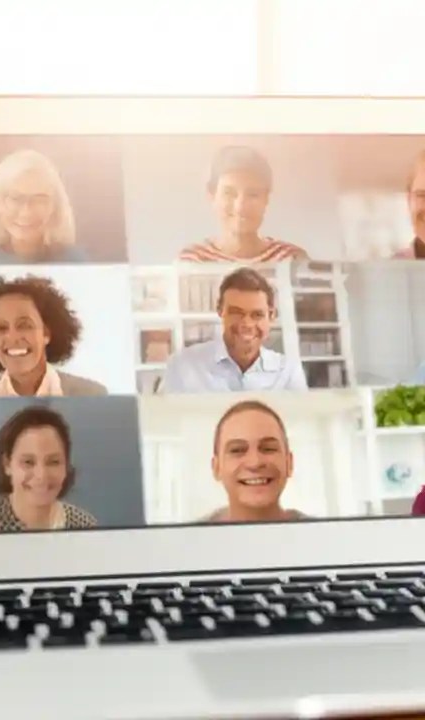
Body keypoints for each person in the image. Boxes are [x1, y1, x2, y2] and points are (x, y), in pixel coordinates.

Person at [160, 268, 307, 392]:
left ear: (272, 316)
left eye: (257, 315)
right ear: (219, 311)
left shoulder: (288, 371)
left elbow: (303, 423)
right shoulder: (183, 366)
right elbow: (163, 422)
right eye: (236, 313)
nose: (247, 324)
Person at [0, 275, 107, 398]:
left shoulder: (92, 395)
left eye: (24, 325)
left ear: (47, 333)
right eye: (1, 328)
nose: (12, 337)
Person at [0, 405, 99, 532]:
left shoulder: (85, 525)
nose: (41, 475)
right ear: (7, 464)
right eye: (28, 462)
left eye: (53, 462)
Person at [178, 145, 309, 263]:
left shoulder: (290, 259)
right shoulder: (193, 260)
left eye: (253, 194)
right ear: (212, 195)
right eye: (229, 193)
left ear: (266, 199)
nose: (240, 206)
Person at [201, 399, 308, 523]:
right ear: (216, 468)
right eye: (237, 450)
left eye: (268, 449)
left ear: (289, 463)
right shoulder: (188, 539)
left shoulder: (324, 535)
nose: (255, 462)